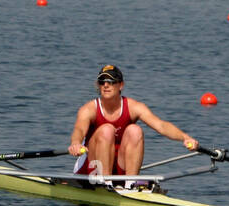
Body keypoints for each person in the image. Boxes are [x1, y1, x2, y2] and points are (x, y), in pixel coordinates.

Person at [68, 65, 197, 185]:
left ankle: (130, 184)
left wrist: (185, 137)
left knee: (135, 130)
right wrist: (75, 143)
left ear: (121, 85)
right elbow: (79, 129)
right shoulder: (89, 109)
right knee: (107, 129)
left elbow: (161, 125)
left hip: (119, 168)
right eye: (102, 82)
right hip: (91, 168)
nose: (106, 85)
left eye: (111, 81)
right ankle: (104, 183)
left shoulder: (134, 107)